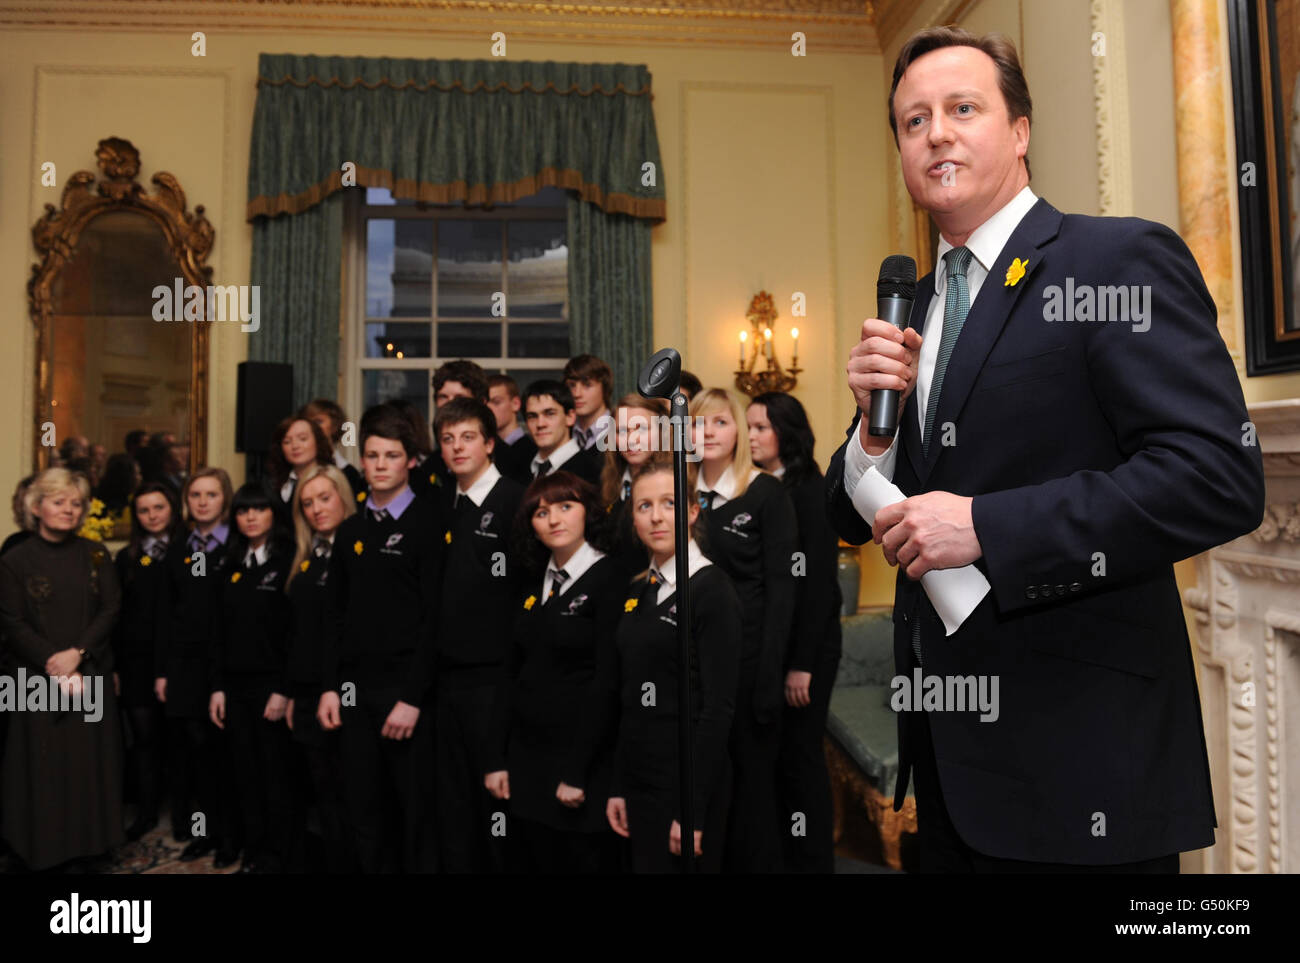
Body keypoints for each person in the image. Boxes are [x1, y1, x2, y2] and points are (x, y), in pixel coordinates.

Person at [824, 26, 1265, 872]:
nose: (937, 133)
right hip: (948, 774)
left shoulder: (1116, 259)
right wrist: (874, 433)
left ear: (1020, 131)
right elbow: (844, 515)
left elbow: (1218, 476)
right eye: (913, 122)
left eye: (962, 108)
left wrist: (988, 524)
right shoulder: (912, 305)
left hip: (1083, 767)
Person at [317, 405, 442, 873]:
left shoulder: (430, 523)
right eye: (372, 455)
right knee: (362, 809)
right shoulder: (350, 531)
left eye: (392, 455)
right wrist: (330, 686)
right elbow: (334, 617)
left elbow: (435, 620)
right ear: (362, 461)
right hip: (354, 694)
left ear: (411, 460)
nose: (381, 464)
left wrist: (412, 698)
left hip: (408, 694)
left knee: (414, 812)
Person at [607, 457, 741, 873]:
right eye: (644, 506)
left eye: (669, 503)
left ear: (693, 510)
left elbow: (718, 709)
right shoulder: (638, 589)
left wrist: (692, 812)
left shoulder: (712, 589)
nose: (656, 516)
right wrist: (618, 786)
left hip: (689, 785)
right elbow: (626, 696)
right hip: (640, 780)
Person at [484, 470, 621, 873]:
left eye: (566, 506)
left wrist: (577, 772)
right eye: (541, 512)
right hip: (526, 765)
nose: (554, 519)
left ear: (588, 513)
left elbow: (607, 683)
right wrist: (496, 758)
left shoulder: (610, 579)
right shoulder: (532, 583)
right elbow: (510, 675)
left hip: (580, 765)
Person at [689, 387, 797, 873]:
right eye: (696, 423)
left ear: (737, 431)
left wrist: (771, 675)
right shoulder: (675, 495)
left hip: (750, 665)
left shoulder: (765, 492)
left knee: (752, 793)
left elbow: (782, 590)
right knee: (703, 788)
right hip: (691, 667)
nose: (706, 433)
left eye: (718, 423)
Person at [0, 468, 124, 871]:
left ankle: (91, 847)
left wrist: (79, 654)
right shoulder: (15, 559)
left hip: (89, 674)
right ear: (36, 507)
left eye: (76, 504)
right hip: (34, 679)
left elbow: (110, 608)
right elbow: (12, 622)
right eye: (59, 502)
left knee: (92, 765)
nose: (69, 510)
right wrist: (56, 664)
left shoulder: (96, 553)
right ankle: (44, 850)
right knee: (43, 767)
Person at [748, 391, 842, 873]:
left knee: (802, 761)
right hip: (773, 648)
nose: (751, 437)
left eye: (760, 428)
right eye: (748, 428)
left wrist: (801, 664)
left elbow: (820, 588)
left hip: (808, 650)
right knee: (777, 761)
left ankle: (813, 863)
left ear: (785, 432)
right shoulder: (762, 486)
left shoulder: (809, 489)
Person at [432, 397, 525, 872]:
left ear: (490, 443)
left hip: (496, 680)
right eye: (447, 439)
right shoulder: (444, 505)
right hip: (448, 681)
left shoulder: (516, 500)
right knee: (454, 807)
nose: (456, 447)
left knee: (498, 810)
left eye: (467, 437)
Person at [208, 482, 295, 874]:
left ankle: (277, 854)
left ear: (273, 513)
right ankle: (252, 848)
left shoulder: (289, 560)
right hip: (234, 686)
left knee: (275, 776)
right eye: (243, 511)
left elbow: (295, 633)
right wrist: (217, 687)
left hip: (272, 687)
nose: (250, 517)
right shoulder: (229, 565)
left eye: (259, 509)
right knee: (241, 773)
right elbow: (217, 632)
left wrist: (282, 688)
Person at [156, 467, 240, 866]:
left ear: (225, 499)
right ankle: (205, 834)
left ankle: (232, 837)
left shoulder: (239, 545)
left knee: (228, 759)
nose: (203, 502)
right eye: (195, 496)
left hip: (226, 665)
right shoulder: (180, 549)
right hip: (186, 667)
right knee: (196, 760)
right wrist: (163, 671)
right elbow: (167, 614)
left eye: (211, 494)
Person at [285, 464, 357, 873]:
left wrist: (336, 687)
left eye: (324, 498)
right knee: (321, 790)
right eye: (307, 503)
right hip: (309, 689)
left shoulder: (359, 547)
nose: (315, 509)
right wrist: (294, 692)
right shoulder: (306, 557)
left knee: (353, 791)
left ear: (343, 497)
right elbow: (297, 633)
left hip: (348, 688)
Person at [113, 481, 186, 842]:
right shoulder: (126, 558)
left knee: (180, 741)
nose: (152, 515)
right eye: (144, 510)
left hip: (179, 661)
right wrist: (113, 667)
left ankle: (188, 818)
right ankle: (145, 813)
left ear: (172, 508)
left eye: (158, 507)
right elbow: (117, 614)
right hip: (136, 662)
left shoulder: (191, 549)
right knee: (144, 741)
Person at [598, 394, 669, 581]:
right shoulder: (610, 484)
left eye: (641, 429)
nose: (631, 439)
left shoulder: (676, 485)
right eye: (622, 431)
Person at [520, 380, 601, 486]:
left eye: (550, 414)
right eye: (532, 416)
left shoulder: (589, 471)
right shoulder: (522, 470)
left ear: (570, 417)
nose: (540, 424)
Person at [300, 400, 365, 497]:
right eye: (308, 422)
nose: (312, 426)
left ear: (335, 426)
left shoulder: (349, 474)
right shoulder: (295, 468)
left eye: (318, 421)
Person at [268, 416, 335, 508]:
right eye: (287, 442)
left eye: (303, 439)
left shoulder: (333, 479)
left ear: (318, 441)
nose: (295, 446)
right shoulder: (275, 484)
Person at [488, 374, 536, 481]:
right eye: (485, 404)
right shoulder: (485, 451)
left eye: (496, 402)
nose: (489, 408)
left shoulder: (532, 452)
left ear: (515, 403)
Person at [564, 354, 614, 451]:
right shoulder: (563, 433)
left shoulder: (620, 431)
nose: (577, 394)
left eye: (587, 385)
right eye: (572, 385)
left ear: (605, 389)